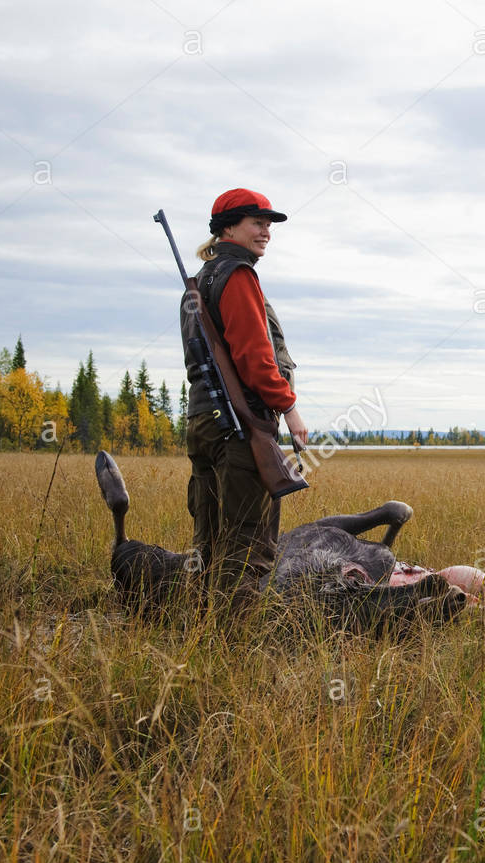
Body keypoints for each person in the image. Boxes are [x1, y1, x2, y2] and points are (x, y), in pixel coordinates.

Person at [181, 187, 308, 611]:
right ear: (228, 228)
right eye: (258, 222)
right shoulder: (237, 275)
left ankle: (200, 638)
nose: (267, 231)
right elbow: (255, 358)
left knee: (209, 543)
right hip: (236, 428)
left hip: (202, 423)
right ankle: (236, 652)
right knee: (248, 547)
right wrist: (289, 409)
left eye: (269, 224)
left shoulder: (199, 283)